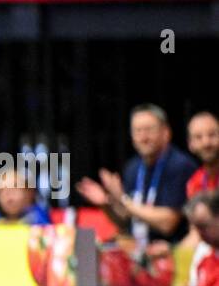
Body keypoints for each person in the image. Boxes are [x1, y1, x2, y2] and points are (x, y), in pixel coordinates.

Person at [77, 104, 194, 245]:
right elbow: (125, 221)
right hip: (138, 254)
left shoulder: (179, 165)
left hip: (171, 255)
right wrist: (105, 203)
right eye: (137, 131)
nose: (143, 137)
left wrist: (123, 200)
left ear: (166, 133)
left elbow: (168, 223)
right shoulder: (133, 167)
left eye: (149, 130)